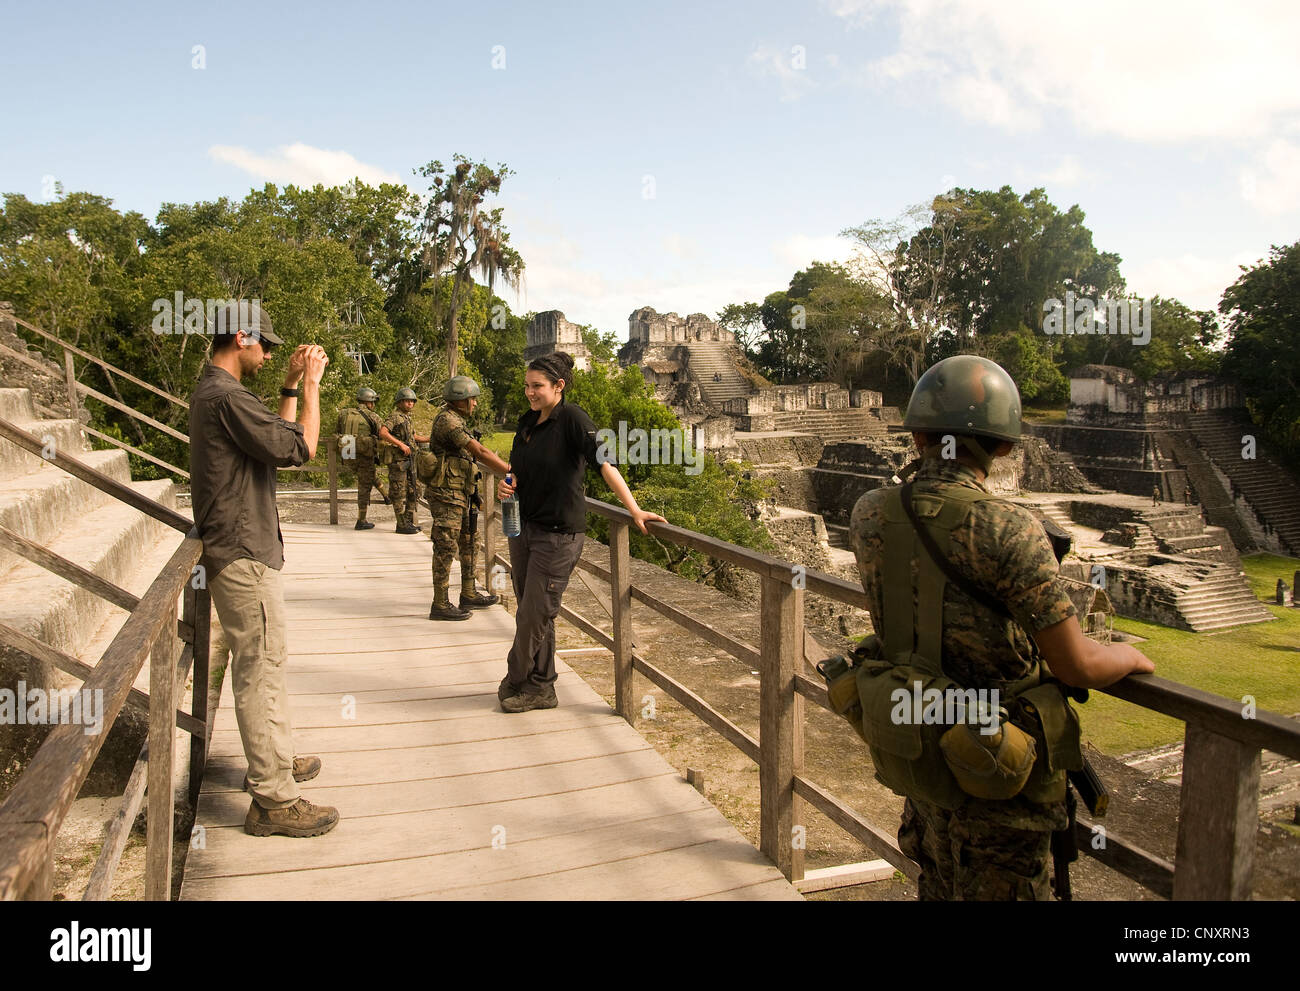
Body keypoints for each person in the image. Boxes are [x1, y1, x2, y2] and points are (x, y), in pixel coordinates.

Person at [847, 354, 1154, 899]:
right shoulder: (1009, 528)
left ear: (917, 435)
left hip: (919, 749)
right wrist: (1130, 656)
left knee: (936, 884)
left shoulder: (870, 510)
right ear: (1005, 446)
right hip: (998, 769)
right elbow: (1075, 664)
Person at [188, 301, 340, 838]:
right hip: (242, 551)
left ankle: (274, 760)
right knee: (260, 667)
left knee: (263, 663)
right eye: (266, 345)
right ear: (242, 337)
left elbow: (272, 439)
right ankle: (273, 800)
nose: (270, 354)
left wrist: (290, 385)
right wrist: (313, 385)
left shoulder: (217, 393)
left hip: (238, 547)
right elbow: (300, 448)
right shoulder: (227, 397)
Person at [495, 351, 666, 712]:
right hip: (524, 528)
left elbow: (605, 463)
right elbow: (517, 469)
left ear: (558, 386)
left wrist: (633, 509)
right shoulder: (528, 422)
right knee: (534, 611)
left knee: (533, 614)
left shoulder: (573, 419)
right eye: (527, 386)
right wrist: (508, 484)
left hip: (558, 535)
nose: (530, 393)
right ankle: (541, 686)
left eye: (537, 386)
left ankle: (516, 677)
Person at [424, 375, 513, 620]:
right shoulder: (448, 421)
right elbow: (479, 451)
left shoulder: (457, 420)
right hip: (446, 494)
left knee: (470, 541)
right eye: (472, 399)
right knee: (445, 546)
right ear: (459, 400)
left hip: (460, 492)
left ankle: (469, 592)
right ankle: (440, 603)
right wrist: (510, 471)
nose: (475, 404)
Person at [336, 385, 388, 530]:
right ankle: (361, 520)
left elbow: (338, 431)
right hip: (364, 454)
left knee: (369, 475)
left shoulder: (343, 413)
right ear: (369, 402)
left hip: (347, 453)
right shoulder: (372, 416)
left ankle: (386, 495)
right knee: (364, 486)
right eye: (373, 402)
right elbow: (381, 434)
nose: (374, 405)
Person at [380, 388, 427, 534]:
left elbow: (413, 437)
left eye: (412, 401)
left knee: (415, 490)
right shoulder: (394, 417)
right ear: (399, 402)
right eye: (407, 401)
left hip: (409, 461)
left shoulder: (407, 418)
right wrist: (400, 445)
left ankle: (407, 521)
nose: (410, 404)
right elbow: (383, 432)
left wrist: (429, 438)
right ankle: (401, 524)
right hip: (398, 462)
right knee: (398, 492)